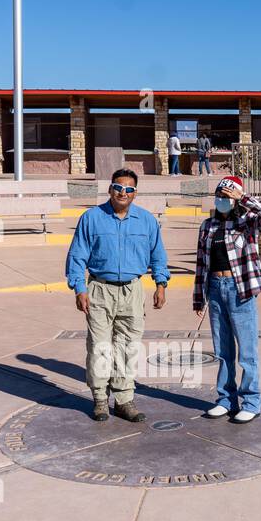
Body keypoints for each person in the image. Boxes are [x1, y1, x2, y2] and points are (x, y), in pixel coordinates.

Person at [65, 168, 170, 422]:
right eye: (118, 187)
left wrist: (160, 284)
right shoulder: (91, 218)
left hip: (133, 290)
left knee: (127, 347)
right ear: (110, 189)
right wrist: (79, 288)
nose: (123, 192)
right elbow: (77, 256)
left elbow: (158, 255)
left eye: (129, 189)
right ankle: (100, 399)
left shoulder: (146, 221)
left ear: (135, 193)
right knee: (100, 346)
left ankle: (124, 399)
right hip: (100, 289)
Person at [192, 175, 261, 424]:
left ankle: (251, 401)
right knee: (222, 349)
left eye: (227, 197)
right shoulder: (208, 226)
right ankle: (226, 400)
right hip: (216, 289)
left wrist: (243, 197)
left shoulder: (247, 222)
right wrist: (199, 298)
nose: (222, 200)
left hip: (241, 291)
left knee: (247, 352)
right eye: (219, 196)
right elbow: (200, 265)